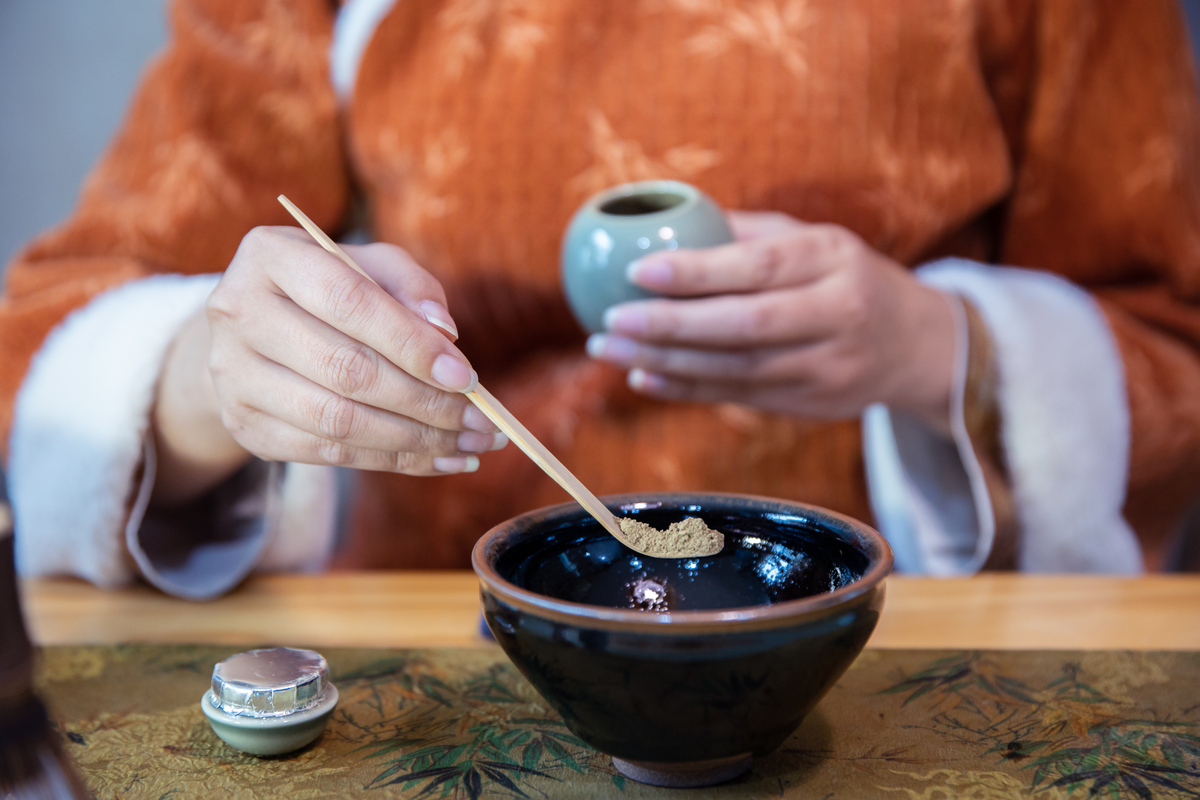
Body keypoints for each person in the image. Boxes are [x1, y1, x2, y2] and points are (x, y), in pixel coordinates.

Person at [4, 0, 1200, 598]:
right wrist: (214, 378)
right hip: (440, 646)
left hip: (889, 644)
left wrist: (942, 345)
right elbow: (46, 348)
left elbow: (1172, 345)